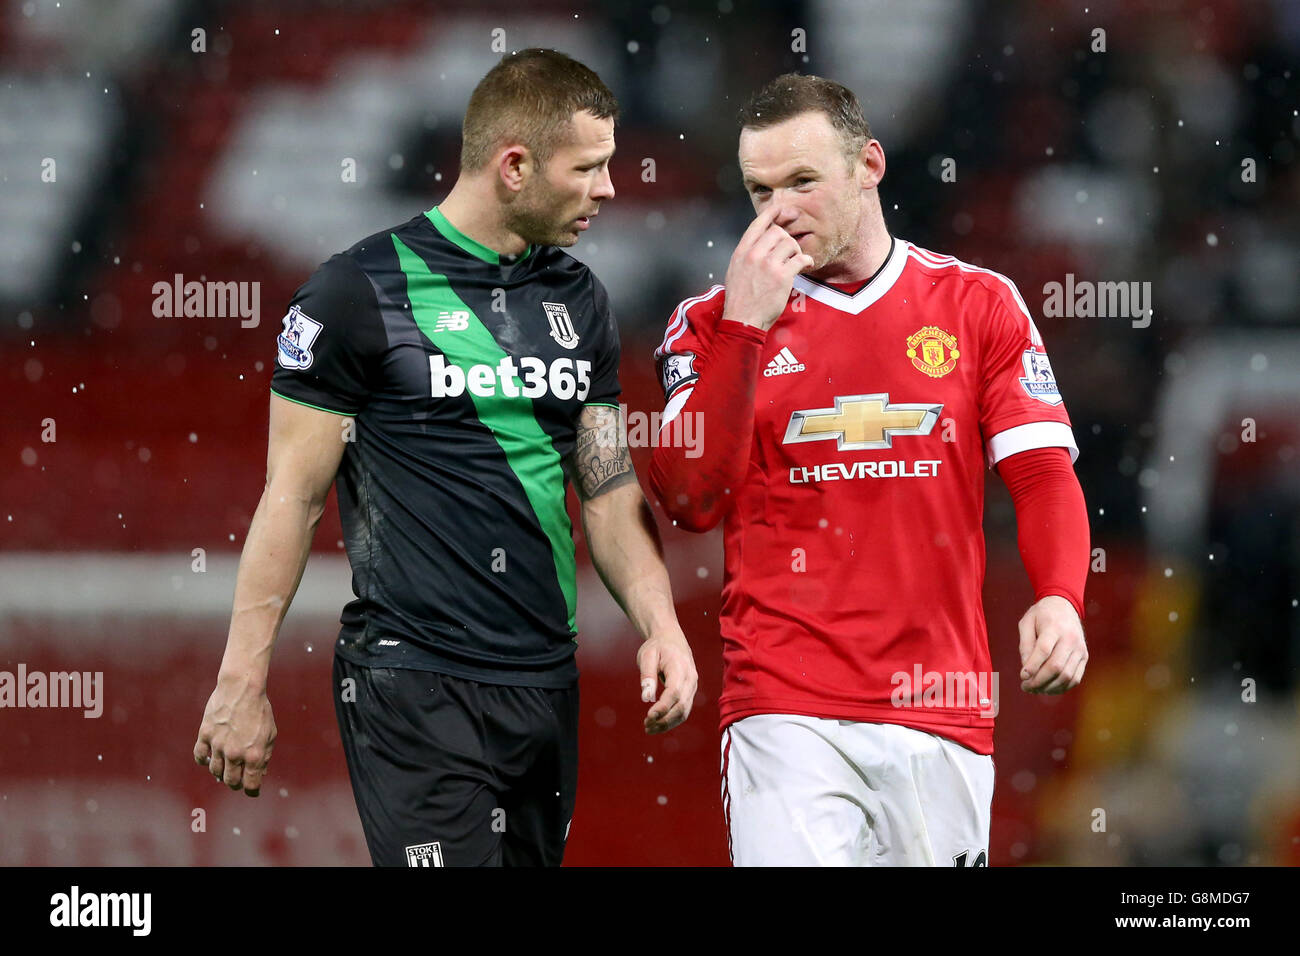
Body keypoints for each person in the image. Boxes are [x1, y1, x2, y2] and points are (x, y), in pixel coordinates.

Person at [193, 48, 698, 867]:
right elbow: (291, 497)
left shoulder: (581, 299)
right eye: (589, 168)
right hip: (413, 683)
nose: (609, 190)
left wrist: (661, 625)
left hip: (543, 682)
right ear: (513, 166)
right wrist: (240, 682)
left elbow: (606, 486)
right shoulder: (354, 294)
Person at [649, 73, 1089, 866]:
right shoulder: (709, 324)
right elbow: (689, 498)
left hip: (940, 702)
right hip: (784, 704)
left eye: (803, 182)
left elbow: (1041, 473)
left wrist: (1060, 597)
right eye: (760, 190)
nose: (779, 210)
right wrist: (747, 330)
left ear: (869, 167)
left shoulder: (978, 305)